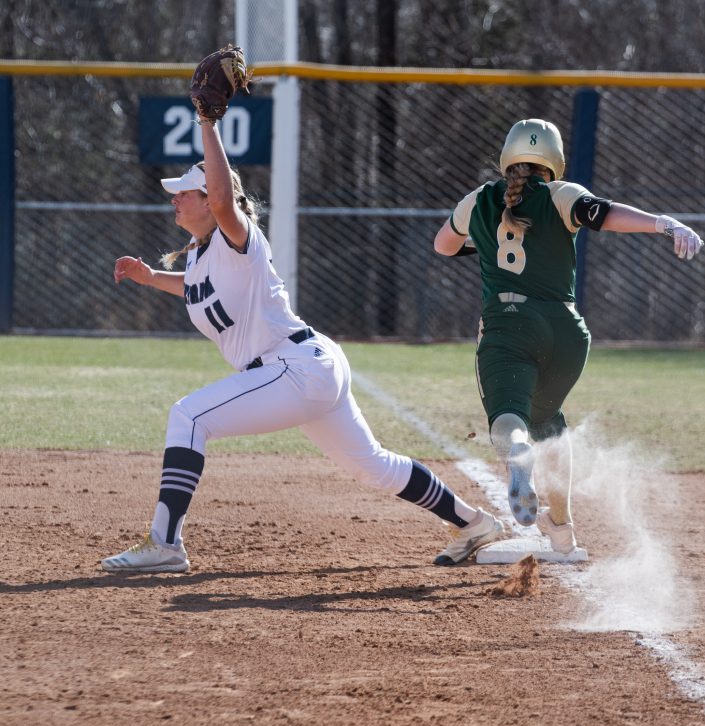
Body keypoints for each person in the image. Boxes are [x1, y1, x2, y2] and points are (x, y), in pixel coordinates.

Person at [102, 112, 507, 574]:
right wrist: (152, 278)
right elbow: (200, 289)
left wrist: (208, 125)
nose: (174, 199)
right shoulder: (200, 254)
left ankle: (165, 543)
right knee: (372, 466)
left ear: (211, 199)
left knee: (188, 416)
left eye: (184, 193)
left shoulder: (238, 236)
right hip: (308, 367)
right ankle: (474, 523)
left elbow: (223, 200)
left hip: (293, 368)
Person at [433, 118, 703, 557]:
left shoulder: (478, 199)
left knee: (509, 418)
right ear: (554, 160)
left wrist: (482, 243)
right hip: (567, 331)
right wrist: (663, 224)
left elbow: (443, 245)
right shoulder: (561, 194)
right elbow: (603, 213)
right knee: (551, 423)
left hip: (508, 324)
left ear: (507, 156)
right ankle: (561, 529)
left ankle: (518, 455)